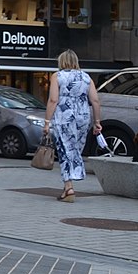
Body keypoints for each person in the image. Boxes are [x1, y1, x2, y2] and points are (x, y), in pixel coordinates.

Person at [44, 49, 102, 203]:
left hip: (64, 116)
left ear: (61, 61)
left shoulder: (58, 76)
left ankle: (69, 186)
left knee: (65, 150)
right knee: (75, 149)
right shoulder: (86, 77)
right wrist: (97, 122)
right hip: (83, 117)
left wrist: (47, 121)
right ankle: (67, 187)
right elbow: (95, 101)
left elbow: (53, 100)